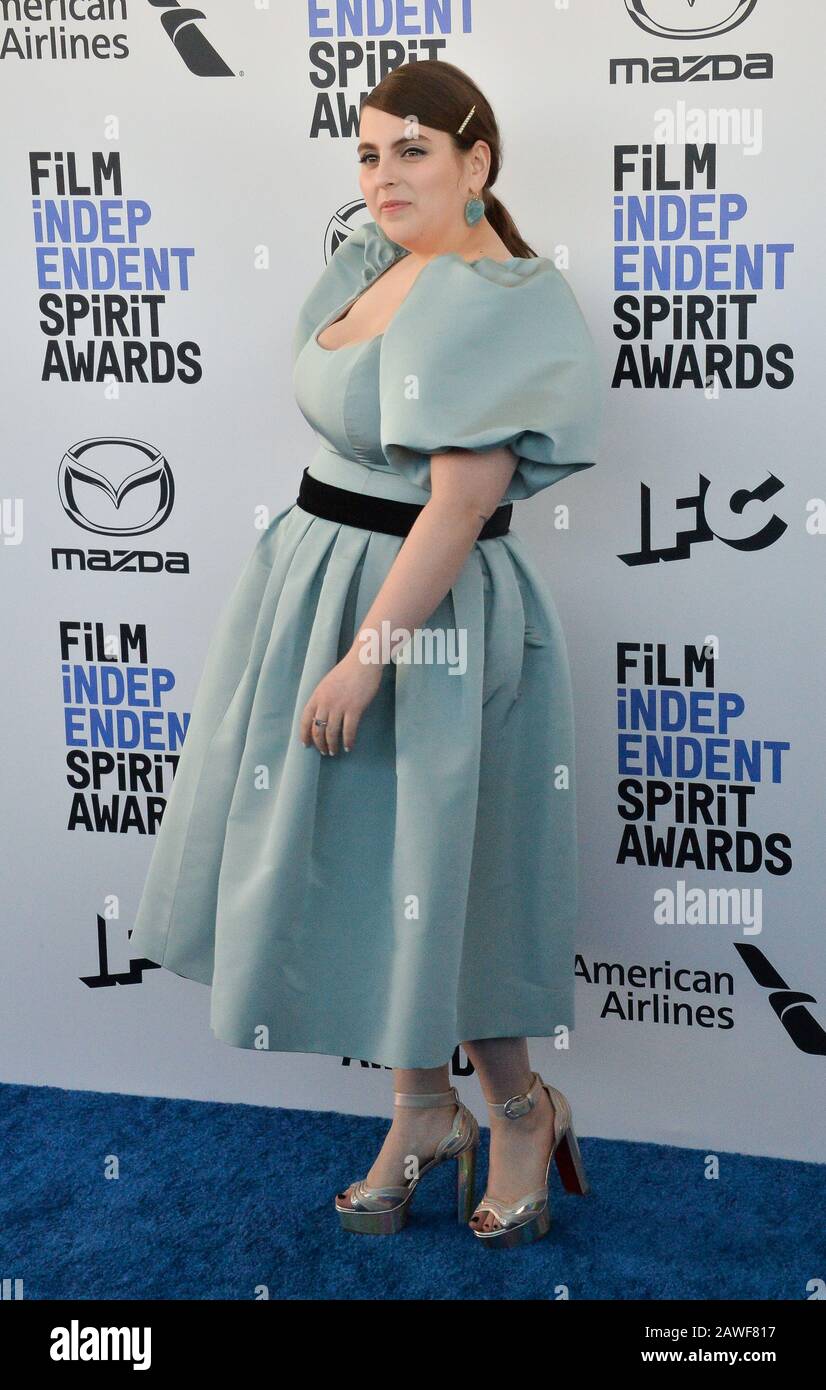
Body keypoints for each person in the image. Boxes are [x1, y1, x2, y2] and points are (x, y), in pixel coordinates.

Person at [129, 59, 602, 1249]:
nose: (383, 175)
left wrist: (365, 655)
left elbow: (454, 510)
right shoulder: (383, 263)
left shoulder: (504, 298)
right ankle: (417, 1111)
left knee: (447, 877)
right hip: (316, 589)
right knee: (374, 868)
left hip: (421, 622)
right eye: (367, 153)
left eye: (413, 152)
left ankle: (519, 1112)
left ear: (476, 161)